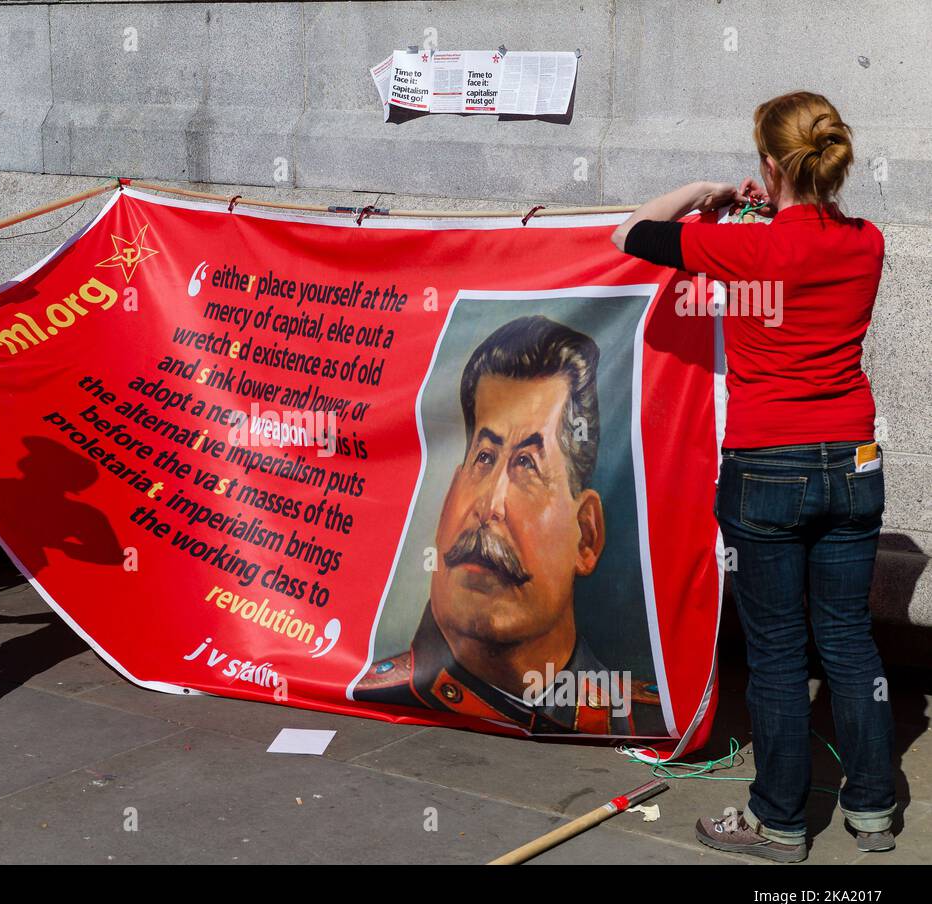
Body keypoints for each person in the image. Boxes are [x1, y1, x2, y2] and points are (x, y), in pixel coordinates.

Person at [612, 90, 893, 862]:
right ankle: (873, 811)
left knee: (775, 654)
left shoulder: (745, 246)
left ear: (769, 165)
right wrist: (773, 206)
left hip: (768, 463)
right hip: (854, 460)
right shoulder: (867, 241)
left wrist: (707, 196)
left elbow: (629, 231)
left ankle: (779, 822)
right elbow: (812, 244)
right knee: (848, 640)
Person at [355, 315, 665, 735]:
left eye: (526, 465)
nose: (489, 505)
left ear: (586, 537)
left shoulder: (646, 720)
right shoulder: (369, 690)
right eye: (483, 457)